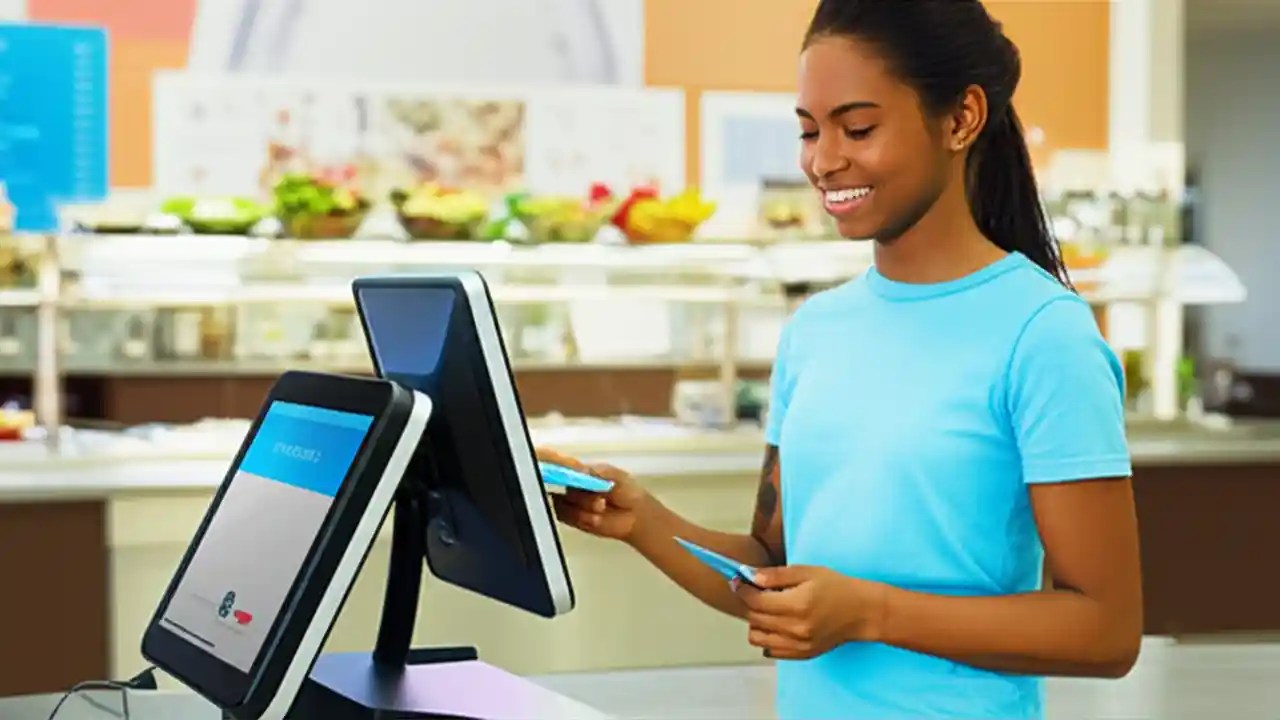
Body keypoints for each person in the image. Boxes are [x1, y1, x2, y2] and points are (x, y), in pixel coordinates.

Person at [537, 0, 1143, 718]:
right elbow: (771, 570)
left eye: (858, 128)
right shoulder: (815, 331)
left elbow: (1105, 630)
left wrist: (867, 613)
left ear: (961, 119)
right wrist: (641, 519)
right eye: (808, 130)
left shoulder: (1044, 336)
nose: (823, 161)